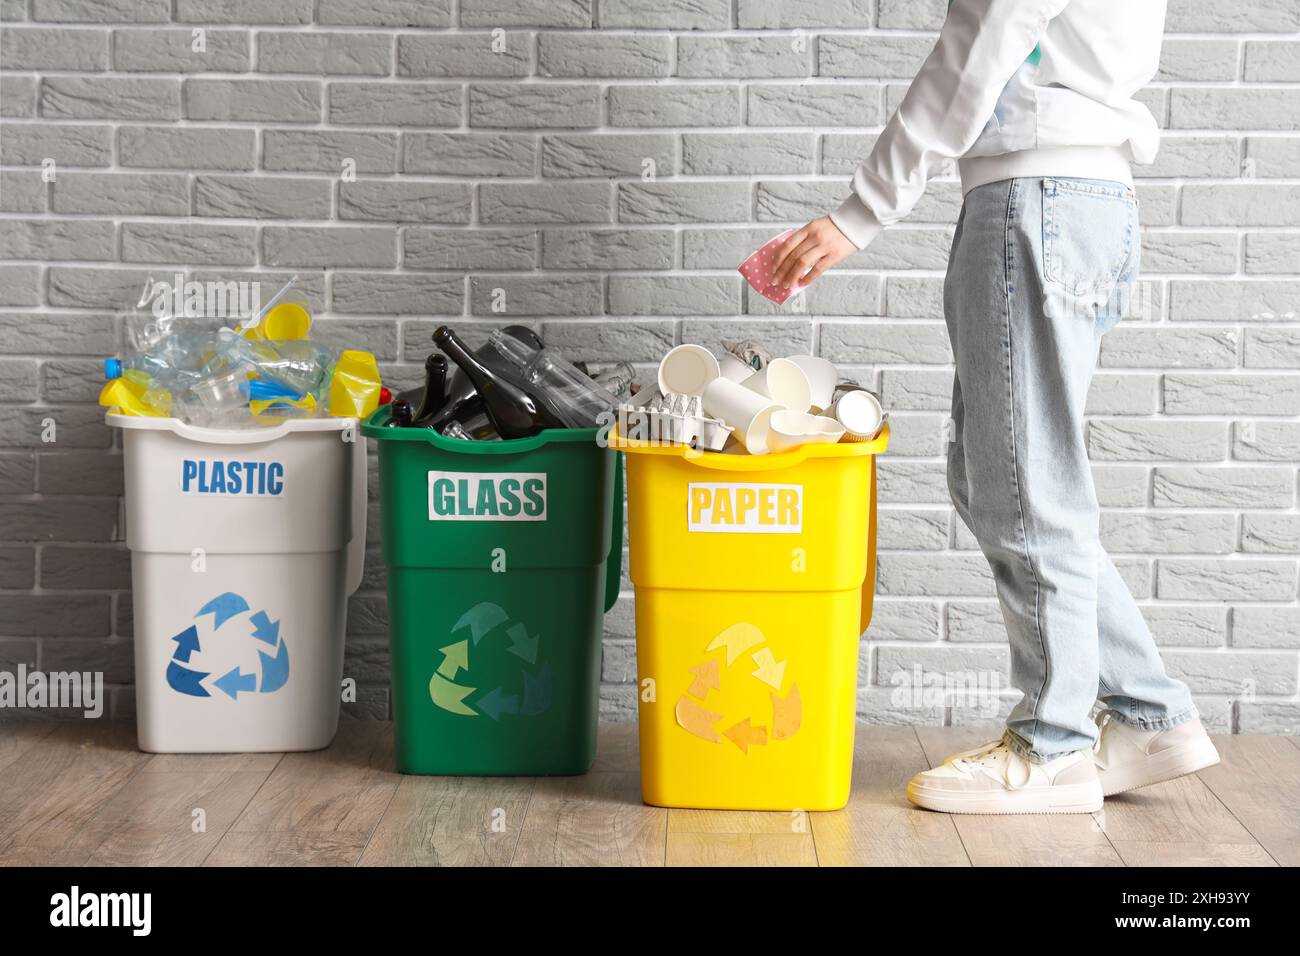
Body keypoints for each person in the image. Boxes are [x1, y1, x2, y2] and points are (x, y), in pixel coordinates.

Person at [770, 0, 1219, 814]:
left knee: (1024, 485)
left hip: (1036, 193)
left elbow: (986, 37)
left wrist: (862, 209)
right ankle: (1148, 712)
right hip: (1079, 196)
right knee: (1002, 479)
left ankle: (1053, 748)